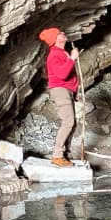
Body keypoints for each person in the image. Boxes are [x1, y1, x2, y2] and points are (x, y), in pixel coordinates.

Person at [38, 27, 79, 167]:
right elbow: (62, 74)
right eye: (59, 33)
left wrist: (75, 92)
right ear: (55, 39)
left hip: (66, 90)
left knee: (72, 122)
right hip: (60, 90)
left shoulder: (62, 52)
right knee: (69, 121)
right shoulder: (54, 54)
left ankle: (64, 153)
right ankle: (57, 156)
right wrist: (72, 58)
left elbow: (70, 76)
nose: (63, 33)